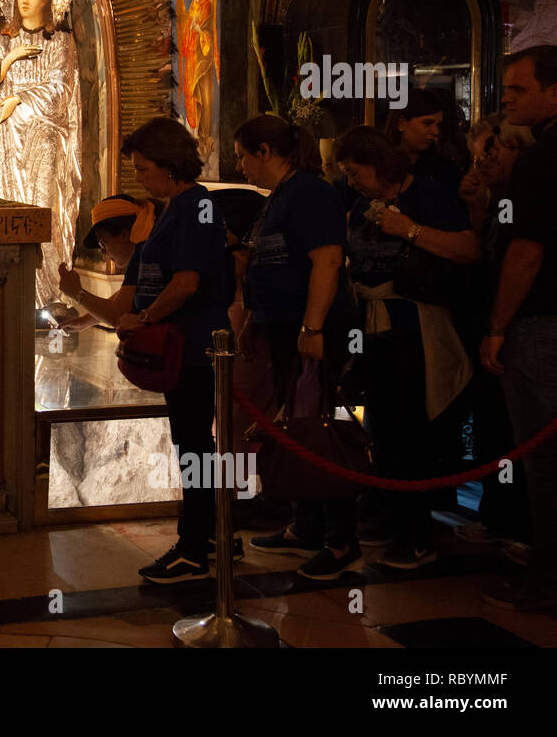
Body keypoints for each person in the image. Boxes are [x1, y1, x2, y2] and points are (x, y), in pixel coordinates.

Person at [335, 127, 478, 570]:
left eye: (356, 172)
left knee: (410, 429)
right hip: (371, 324)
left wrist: (409, 230)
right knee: (382, 426)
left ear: (381, 166)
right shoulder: (359, 203)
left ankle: (415, 535)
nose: (352, 181)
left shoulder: (429, 195)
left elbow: (468, 248)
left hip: (414, 326)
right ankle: (388, 514)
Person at [233, 115, 358, 580]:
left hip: (313, 331)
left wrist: (313, 327)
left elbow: (326, 260)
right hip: (282, 328)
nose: (241, 165)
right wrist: (254, 325)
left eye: (244, 155)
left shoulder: (310, 192)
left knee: (319, 429)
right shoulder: (280, 198)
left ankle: (342, 537)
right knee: (297, 428)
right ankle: (304, 524)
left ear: (265, 151)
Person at [117, 117, 232, 583]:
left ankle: (194, 547)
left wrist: (144, 318)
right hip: (181, 344)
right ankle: (206, 536)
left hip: (191, 344)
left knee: (195, 445)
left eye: (144, 169)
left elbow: (187, 282)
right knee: (192, 442)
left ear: (168, 165)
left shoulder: (195, 206)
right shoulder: (177, 206)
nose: (140, 177)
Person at [479, 45, 557, 610]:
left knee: (544, 458)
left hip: (541, 324)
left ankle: (547, 581)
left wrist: (498, 327)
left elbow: (527, 252)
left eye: (519, 89)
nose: (506, 100)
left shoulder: (542, 158)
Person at [0, 0, 82, 310]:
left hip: (43, 139)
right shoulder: (5, 43)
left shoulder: (61, 43)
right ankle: (11, 290)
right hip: (7, 146)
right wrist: (8, 61)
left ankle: (48, 294)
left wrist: (17, 98)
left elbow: (61, 91)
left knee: (44, 209)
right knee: (11, 211)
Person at [455, 115, 534, 549]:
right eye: (479, 153)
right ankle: (499, 516)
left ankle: (518, 526)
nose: (484, 161)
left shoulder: (528, 199)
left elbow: (519, 261)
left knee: (512, 428)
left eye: (492, 150)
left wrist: (498, 327)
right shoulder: (500, 202)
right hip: (487, 326)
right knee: (491, 426)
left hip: (514, 330)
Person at [55, 193, 161, 331]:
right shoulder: (147, 251)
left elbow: (117, 316)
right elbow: (124, 296)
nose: (103, 252)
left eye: (102, 243)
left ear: (123, 235)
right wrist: (84, 321)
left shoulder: (145, 256)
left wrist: (77, 293)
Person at [384, 87, 463, 196]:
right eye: (427, 123)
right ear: (401, 123)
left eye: (438, 125)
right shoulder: (380, 167)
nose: (435, 131)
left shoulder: (445, 172)